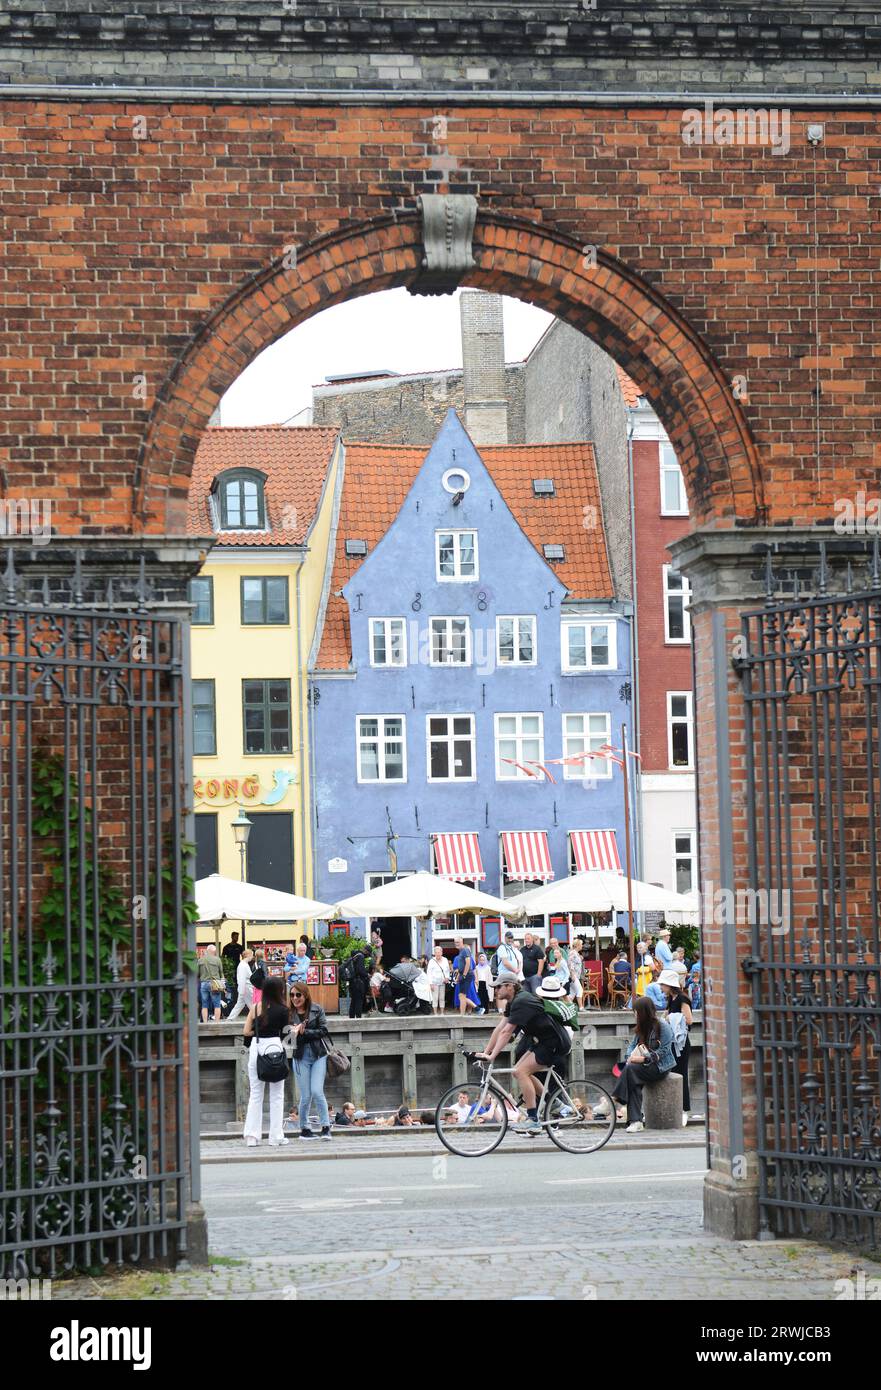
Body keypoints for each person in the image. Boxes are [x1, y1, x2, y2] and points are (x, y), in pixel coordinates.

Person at [478, 976, 571, 1135]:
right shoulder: (513, 1002)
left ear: (509, 986)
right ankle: (553, 1102)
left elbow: (507, 1032)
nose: (495, 991)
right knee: (517, 1071)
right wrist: (485, 1052)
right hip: (542, 1041)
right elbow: (500, 1028)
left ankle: (533, 1120)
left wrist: (493, 1056)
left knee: (521, 1072)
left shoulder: (521, 1001)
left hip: (554, 1042)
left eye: (498, 987)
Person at [611, 996, 676, 1132]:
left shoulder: (662, 1026)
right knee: (632, 1077)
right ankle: (636, 1121)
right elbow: (632, 1045)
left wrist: (643, 1059)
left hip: (660, 1067)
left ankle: (614, 1100)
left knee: (630, 1070)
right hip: (641, 1066)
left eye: (636, 1012)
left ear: (644, 1012)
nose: (635, 1015)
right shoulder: (642, 1026)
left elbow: (663, 1051)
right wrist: (630, 1057)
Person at [242, 976, 290, 1148]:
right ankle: (275, 1136)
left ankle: (252, 1137)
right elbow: (286, 1036)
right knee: (277, 1095)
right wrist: (296, 1032)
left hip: (257, 1049)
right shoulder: (284, 1010)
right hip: (275, 1048)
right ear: (279, 991)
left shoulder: (255, 1008)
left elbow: (246, 1031)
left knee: (255, 1094)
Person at [289, 982, 331, 1140]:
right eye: (292, 995)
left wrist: (304, 1032)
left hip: (318, 1054)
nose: (294, 998)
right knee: (305, 1095)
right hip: (300, 1057)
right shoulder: (288, 1013)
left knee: (317, 1091)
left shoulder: (317, 1009)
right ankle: (304, 1129)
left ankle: (325, 1127)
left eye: (298, 995)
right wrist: (291, 1033)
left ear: (305, 995)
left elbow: (324, 1030)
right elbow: (286, 1040)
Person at [658, 967, 694, 1125]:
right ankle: (675, 1107)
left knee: (682, 1074)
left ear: (669, 985)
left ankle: (684, 1109)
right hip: (672, 1042)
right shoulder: (671, 999)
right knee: (672, 1073)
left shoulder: (682, 999)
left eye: (662, 985)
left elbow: (689, 1020)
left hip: (681, 1043)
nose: (661, 988)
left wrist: (670, 1018)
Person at [198, 944, 225, 1023]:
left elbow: (197, 973)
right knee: (217, 1004)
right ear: (214, 951)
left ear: (207, 950)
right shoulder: (217, 960)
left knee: (204, 1005)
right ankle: (217, 1023)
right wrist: (223, 985)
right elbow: (221, 972)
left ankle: (205, 1023)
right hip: (215, 984)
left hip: (203, 984)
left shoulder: (200, 960)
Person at [227, 947, 255, 1021]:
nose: (252, 957)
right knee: (252, 1004)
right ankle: (257, 1018)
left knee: (240, 1004)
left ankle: (230, 1018)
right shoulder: (244, 965)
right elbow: (242, 979)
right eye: (252, 955)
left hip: (244, 987)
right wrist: (242, 990)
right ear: (248, 955)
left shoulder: (243, 964)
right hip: (246, 987)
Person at [452, 938, 479, 1015]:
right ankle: (462, 1013)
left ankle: (469, 1012)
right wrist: (458, 977)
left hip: (468, 979)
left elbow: (474, 969)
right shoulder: (457, 958)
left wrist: (476, 979)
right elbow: (456, 969)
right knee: (462, 996)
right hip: (462, 978)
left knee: (469, 995)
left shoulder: (471, 958)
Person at [426, 945, 452, 1014]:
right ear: (434, 953)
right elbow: (429, 973)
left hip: (442, 982)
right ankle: (435, 1013)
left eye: (439, 952)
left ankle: (442, 1013)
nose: (437, 954)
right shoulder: (432, 961)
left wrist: (447, 977)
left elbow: (447, 970)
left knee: (442, 998)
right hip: (434, 982)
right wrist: (430, 983)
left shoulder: (445, 959)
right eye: (436, 952)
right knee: (435, 998)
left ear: (441, 952)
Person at [347, 943, 370, 1019]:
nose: (368, 956)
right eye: (368, 954)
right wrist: (367, 974)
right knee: (359, 1001)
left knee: (353, 1000)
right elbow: (360, 970)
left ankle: (351, 1018)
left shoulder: (354, 955)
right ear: (366, 951)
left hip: (352, 981)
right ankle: (358, 1018)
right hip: (358, 982)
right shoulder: (361, 956)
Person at [567, 938, 585, 1003]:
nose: (582, 946)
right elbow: (570, 964)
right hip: (573, 976)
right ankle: (581, 1007)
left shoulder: (576, 953)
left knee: (572, 992)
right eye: (581, 944)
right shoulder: (573, 953)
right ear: (577, 945)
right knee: (580, 990)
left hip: (575, 976)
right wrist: (572, 975)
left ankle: (568, 1006)